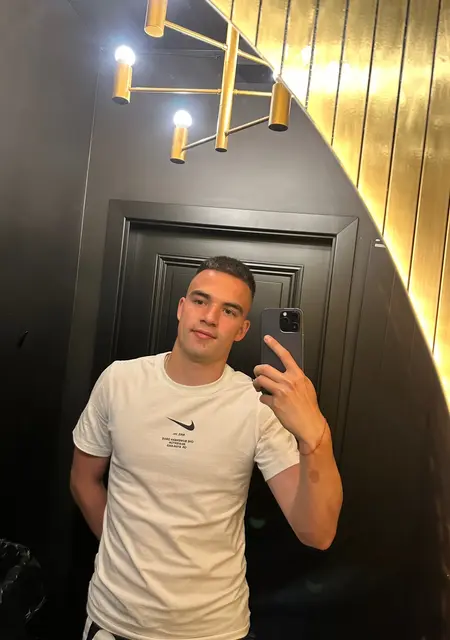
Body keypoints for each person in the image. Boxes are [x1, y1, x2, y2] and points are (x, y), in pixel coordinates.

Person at [71, 256, 343, 640]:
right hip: (113, 621)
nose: (210, 317)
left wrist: (315, 434)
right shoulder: (119, 381)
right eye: (201, 301)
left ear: (242, 329)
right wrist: (122, 552)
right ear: (182, 308)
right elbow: (83, 479)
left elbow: (317, 532)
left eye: (228, 311)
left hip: (213, 628)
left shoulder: (257, 406)